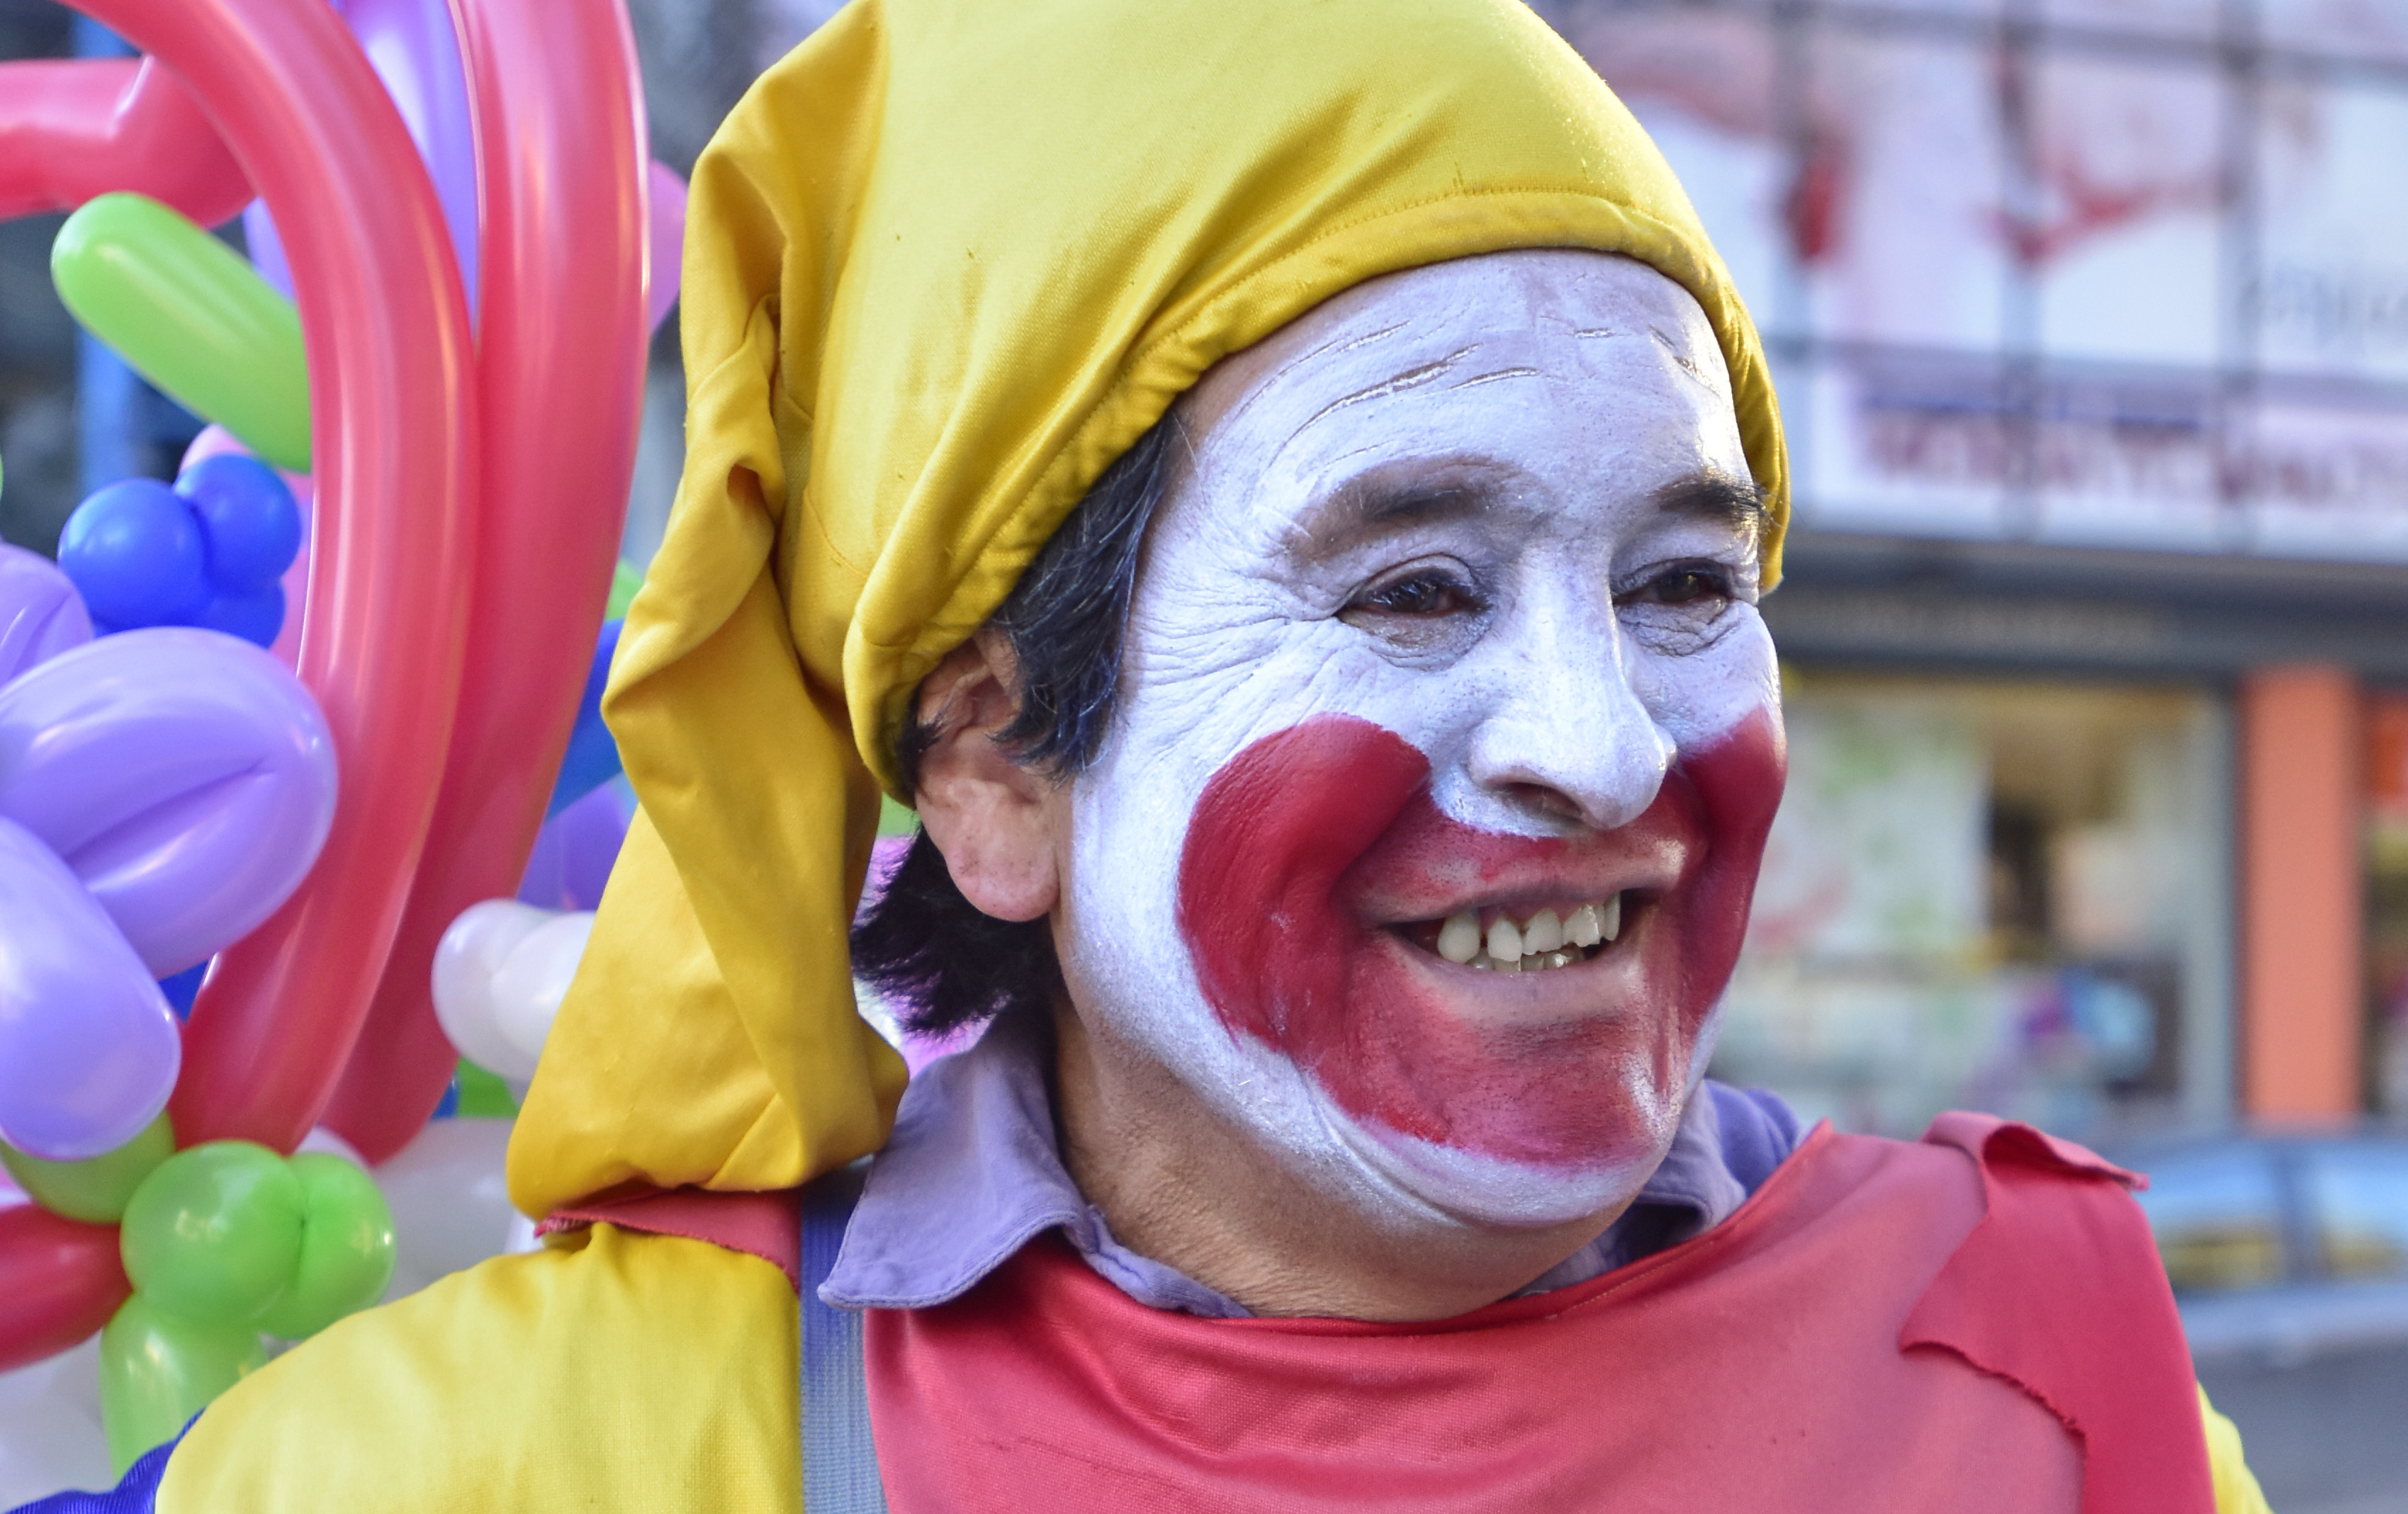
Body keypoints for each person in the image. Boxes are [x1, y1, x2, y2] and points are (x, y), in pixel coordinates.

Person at [50, 0, 2271, 1508]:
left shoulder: (2049, 1377)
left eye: (1689, 581)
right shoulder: (531, 1457)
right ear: (999, 768)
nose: (1604, 744)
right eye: (1412, 588)